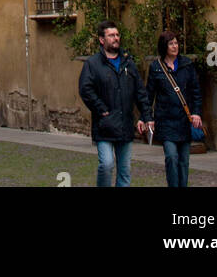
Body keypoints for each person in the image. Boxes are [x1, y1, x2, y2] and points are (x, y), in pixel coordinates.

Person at [78, 20, 153, 187]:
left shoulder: (128, 63)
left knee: (124, 170)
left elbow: (140, 92)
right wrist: (101, 109)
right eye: (111, 35)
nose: (116, 38)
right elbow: (85, 89)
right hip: (104, 124)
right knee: (106, 164)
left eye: (117, 35)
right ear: (102, 40)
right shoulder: (93, 64)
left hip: (125, 124)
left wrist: (147, 116)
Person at [146, 30, 203, 188]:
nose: (174, 46)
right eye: (171, 43)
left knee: (184, 160)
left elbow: (196, 91)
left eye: (176, 43)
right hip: (165, 121)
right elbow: (149, 95)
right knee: (171, 157)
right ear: (164, 46)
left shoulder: (186, 65)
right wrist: (148, 118)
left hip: (184, 120)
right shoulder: (156, 67)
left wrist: (196, 112)